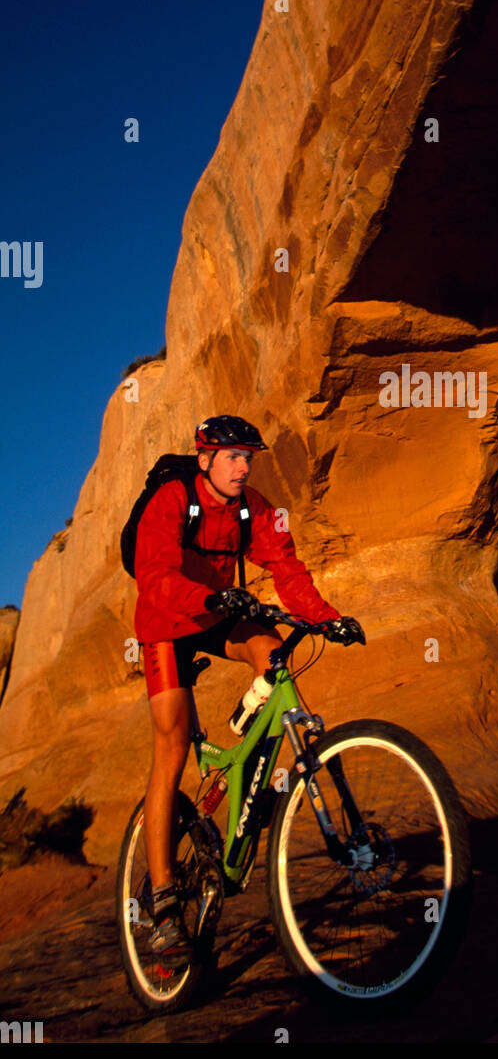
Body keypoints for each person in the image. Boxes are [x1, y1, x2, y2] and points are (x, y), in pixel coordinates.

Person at [134, 414, 362, 966]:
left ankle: (263, 758)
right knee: (172, 742)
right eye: (233, 456)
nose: (243, 466)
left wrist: (328, 618)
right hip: (166, 621)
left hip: (217, 613)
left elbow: (287, 568)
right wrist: (211, 599)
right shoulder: (172, 499)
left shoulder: (252, 508)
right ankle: (163, 905)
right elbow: (154, 573)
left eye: (249, 457)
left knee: (274, 651)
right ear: (204, 456)